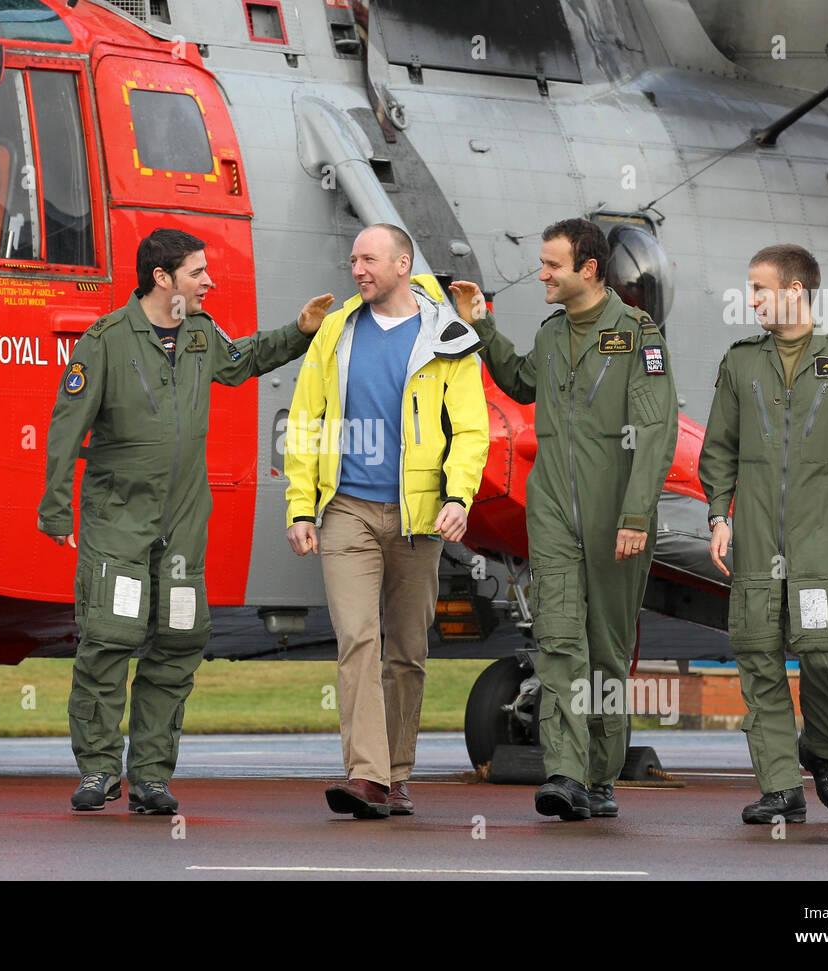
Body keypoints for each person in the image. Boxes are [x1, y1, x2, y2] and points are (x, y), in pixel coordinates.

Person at [38, 228, 331, 814]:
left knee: (177, 640)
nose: (210, 281)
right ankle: (98, 770)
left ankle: (150, 776)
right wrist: (56, 508)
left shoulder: (200, 333)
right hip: (119, 518)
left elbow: (243, 360)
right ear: (162, 279)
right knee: (110, 639)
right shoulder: (104, 341)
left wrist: (300, 333)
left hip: (181, 520)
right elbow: (66, 428)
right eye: (198, 272)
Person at [449, 217, 677, 820]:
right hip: (553, 510)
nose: (542, 274)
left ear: (588, 269)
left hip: (616, 513)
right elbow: (520, 381)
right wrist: (481, 327)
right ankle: (565, 773)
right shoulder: (552, 334)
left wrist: (635, 515)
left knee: (606, 648)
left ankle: (600, 777)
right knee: (558, 642)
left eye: (551, 265)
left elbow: (655, 430)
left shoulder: (638, 337)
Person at [285, 224, 489, 819]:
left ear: (403, 264)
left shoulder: (448, 335)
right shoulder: (335, 330)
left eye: (369, 259)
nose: (357, 270)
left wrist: (459, 497)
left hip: (419, 515)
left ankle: (398, 774)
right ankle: (367, 776)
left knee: (407, 650)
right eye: (353, 259)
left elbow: (471, 430)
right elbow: (306, 420)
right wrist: (301, 505)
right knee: (357, 640)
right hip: (344, 508)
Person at [699, 244, 828, 824]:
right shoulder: (740, 363)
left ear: (795, 291)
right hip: (754, 543)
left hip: (812, 550)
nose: (751, 299)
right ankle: (781, 787)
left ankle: (824, 750)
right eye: (750, 288)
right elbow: (720, 449)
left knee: (822, 658)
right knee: (758, 660)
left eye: (760, 289)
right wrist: (718, 516)